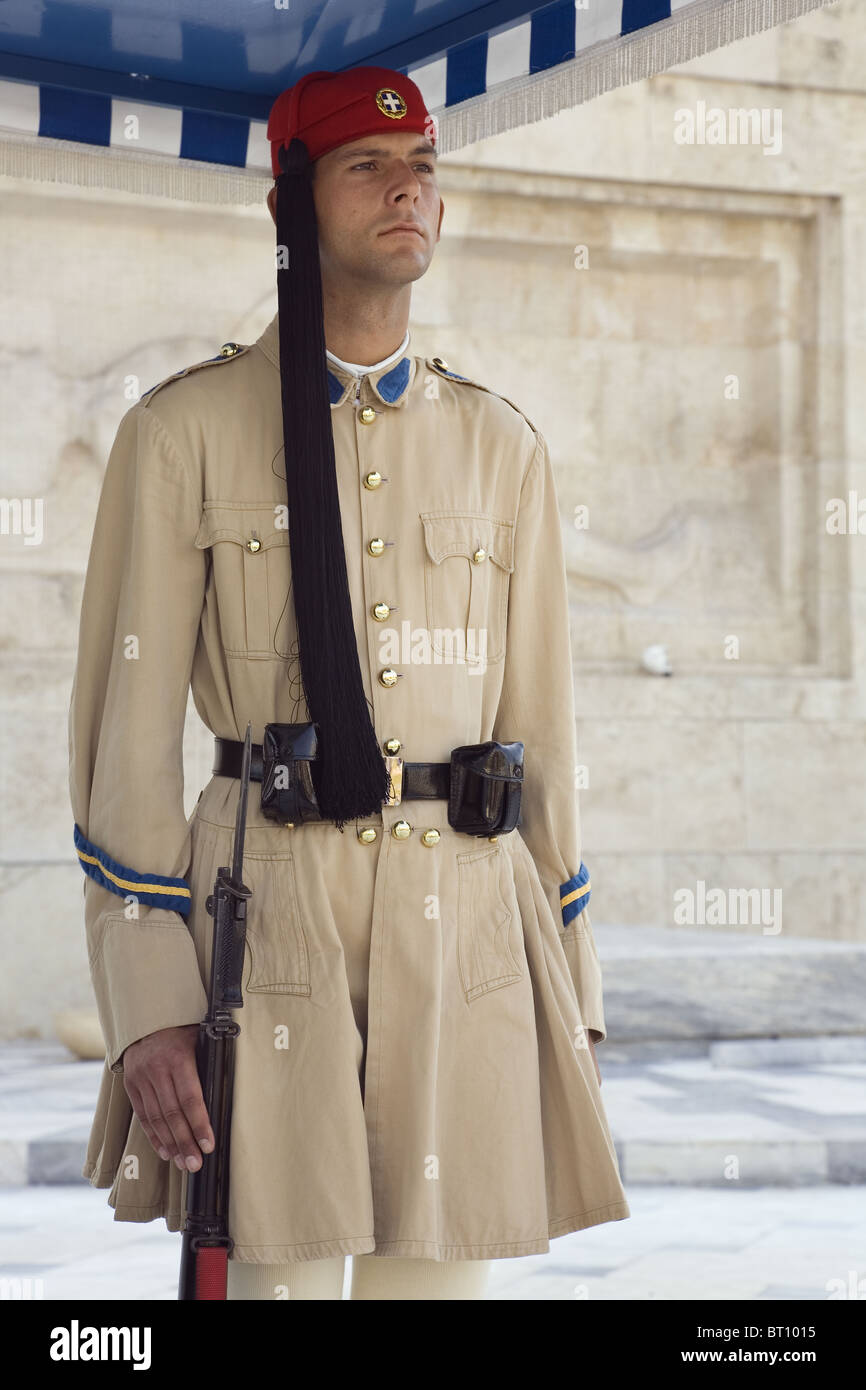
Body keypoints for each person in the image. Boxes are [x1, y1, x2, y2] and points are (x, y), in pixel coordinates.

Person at [68, 64, 630, 1302]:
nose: (407, 192)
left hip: (466, 921)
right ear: (292, 203)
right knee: (270, 1285)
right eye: (367, 169)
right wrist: (149, 994)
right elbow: (124, 734)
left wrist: (568, 986)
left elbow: (541, 727)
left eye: (423, 168)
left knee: (435, 1295)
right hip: (265, 913)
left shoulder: (501, 445)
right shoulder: (184, 431)